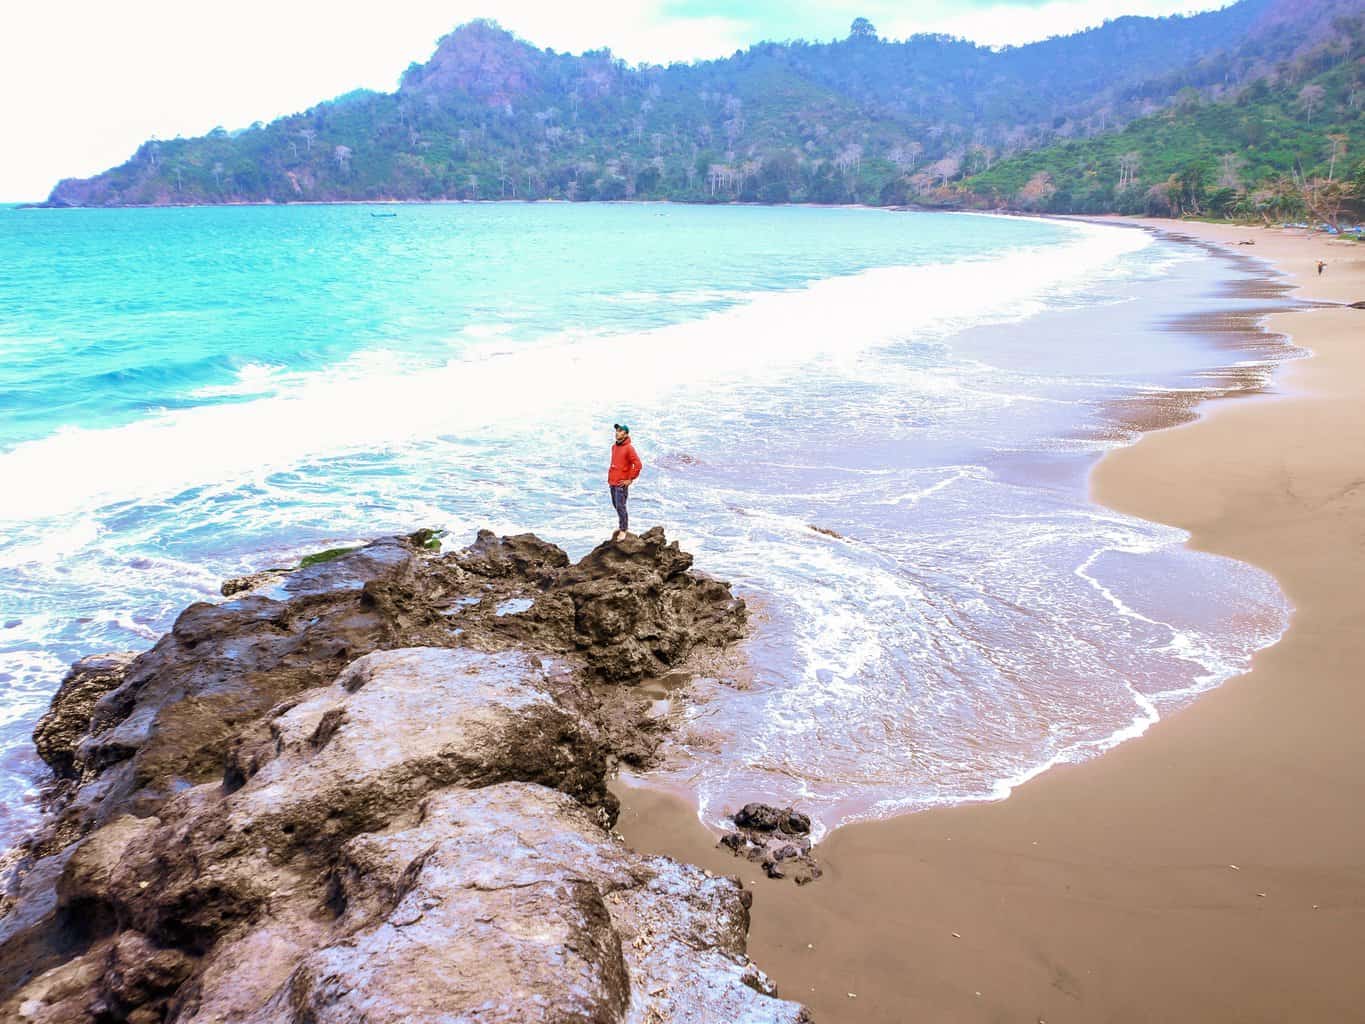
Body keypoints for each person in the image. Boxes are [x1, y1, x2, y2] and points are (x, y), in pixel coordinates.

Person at [608, 423, 642, 539]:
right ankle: (621, 525)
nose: (617, 432)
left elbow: (638, 464)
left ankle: (623, 529)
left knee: (620, 506)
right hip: (612, 481)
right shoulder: (614, 447)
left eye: (620, 431)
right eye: (617, 430)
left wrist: (630, 479)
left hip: (621, 483)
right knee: (616, 505)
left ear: (626, 434)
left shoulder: (629, 448)